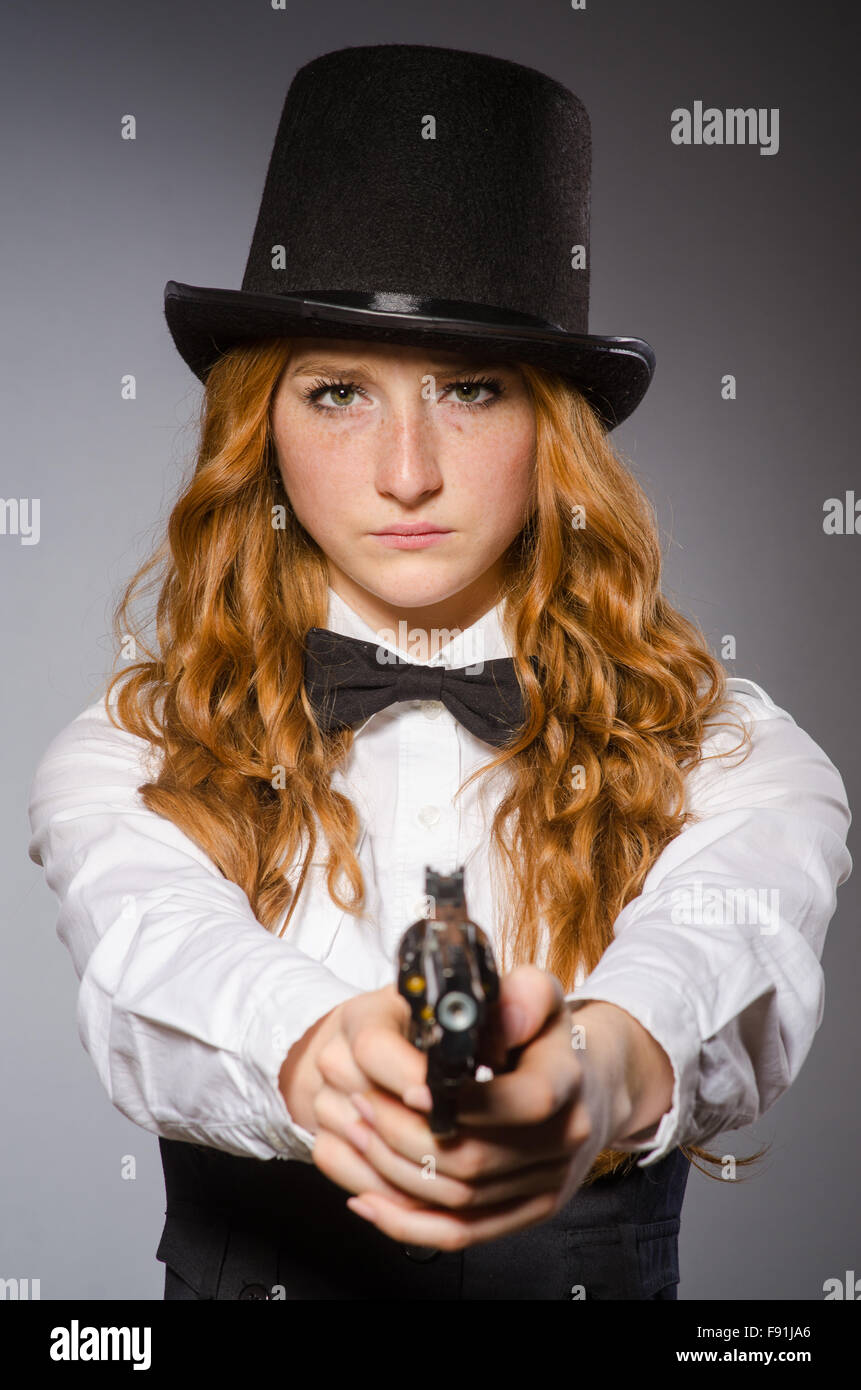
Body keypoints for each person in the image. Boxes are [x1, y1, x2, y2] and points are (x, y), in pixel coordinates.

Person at [27, 43, 851, 1301]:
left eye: (470, 392)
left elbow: (721, 947)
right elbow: (159, 952)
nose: (406, 470)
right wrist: (318, 1052)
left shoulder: (734, 754)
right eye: (341, 394)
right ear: (263, 431)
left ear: (553, 432)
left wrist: (594, 1072)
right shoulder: (132, 752)